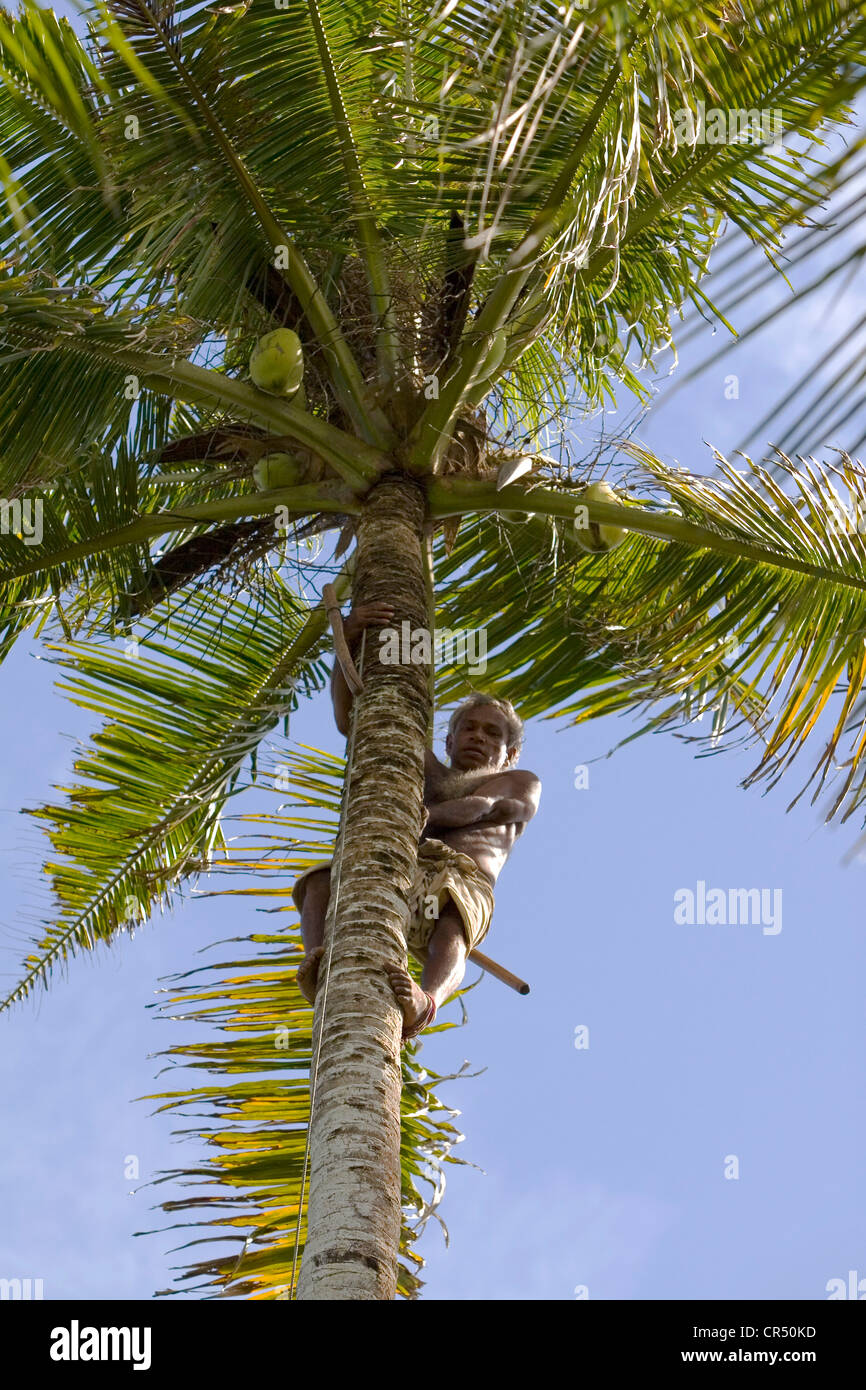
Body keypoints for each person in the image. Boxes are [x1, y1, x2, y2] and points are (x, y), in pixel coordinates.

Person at [292, 602, 541, 1040]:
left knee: (453, 913)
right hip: (396, 872)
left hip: (460, 877)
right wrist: (348, 639)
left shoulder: (519, 781)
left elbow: (483, 808)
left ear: (511, 752)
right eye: (469, 729)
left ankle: (426, 1003)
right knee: (319, 882)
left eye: (492, 733)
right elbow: (352, 715)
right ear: (448, 739)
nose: (478, 737)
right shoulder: (427, 767)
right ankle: (319, 961)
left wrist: (415, 821)